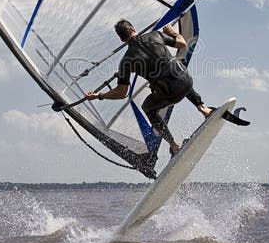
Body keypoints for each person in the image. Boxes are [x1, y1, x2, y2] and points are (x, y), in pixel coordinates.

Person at [86, 19, 212, 155]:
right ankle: (203, 109)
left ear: (122, 40)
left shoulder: (126, 61)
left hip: (170, 94)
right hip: (187, 83)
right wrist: (173, 32)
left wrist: (100, 96)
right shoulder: (155, 35)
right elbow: (182, 43)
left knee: (147, 107)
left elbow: (122, 93)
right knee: (175, 72)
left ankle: (174, 145)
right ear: (133, 29)